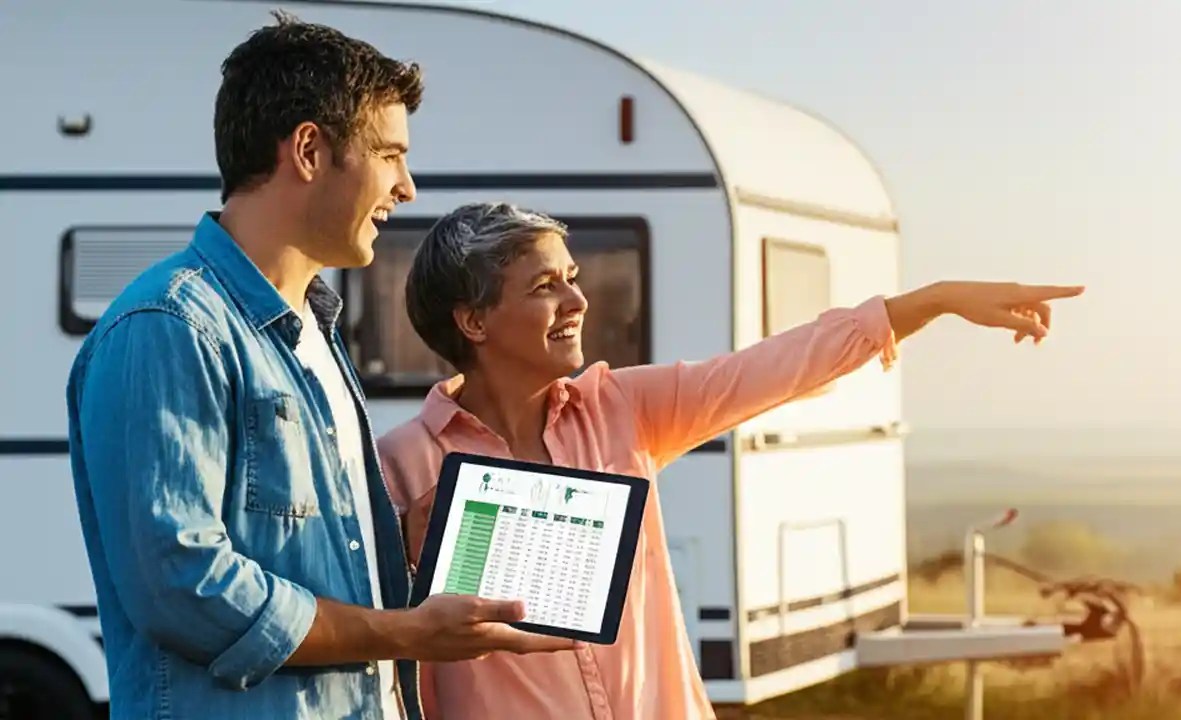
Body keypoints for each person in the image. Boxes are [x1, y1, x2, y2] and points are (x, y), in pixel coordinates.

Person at [376, 201, 1086, 719]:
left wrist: (934, 303)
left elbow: (774, 367)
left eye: (572, 277)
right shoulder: (405, 465)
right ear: (472, 321)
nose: (578, 299)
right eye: (545, 286)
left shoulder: (623, 408)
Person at [64, 16, 569, 720]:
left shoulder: (315, 333)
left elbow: (281, 547)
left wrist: (399, 539)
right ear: (308, 150)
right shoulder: (169, 326)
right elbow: (182, 585)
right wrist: (403, 633)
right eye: (390, 155)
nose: (408, 187)